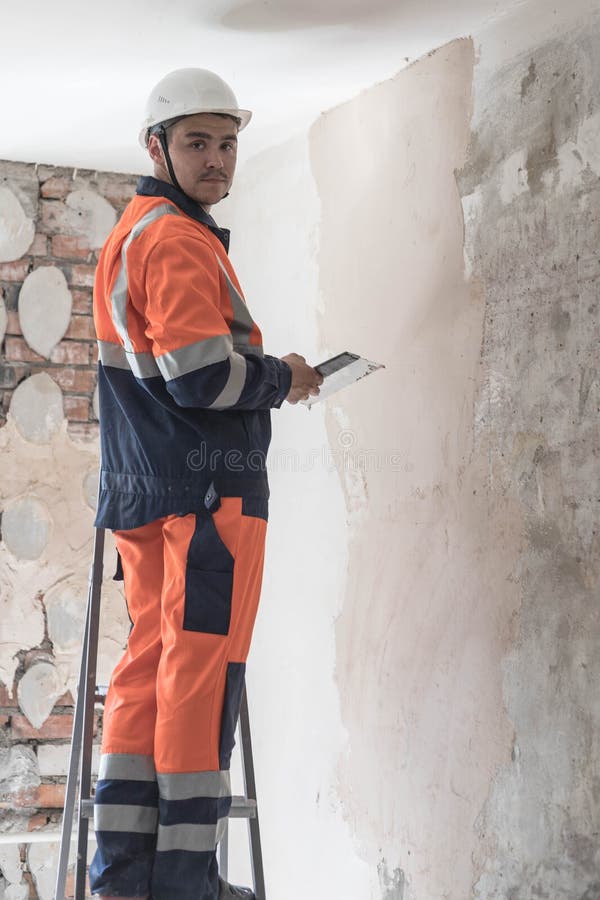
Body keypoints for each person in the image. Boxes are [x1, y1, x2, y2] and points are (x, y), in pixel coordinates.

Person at [89, 68, 323, 900]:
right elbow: (199, 380)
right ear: (157, 148)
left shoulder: (129, 234)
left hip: (147, 490)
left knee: (147, 668)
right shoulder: (181, 240)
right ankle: (186, 881)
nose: (218, 159)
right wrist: (282, 376)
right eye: (198, 143)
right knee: (200, 675)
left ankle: (123, 873)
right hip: (207, 498)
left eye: (227, 143)